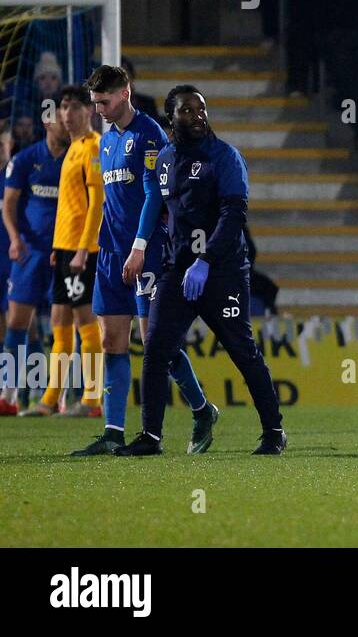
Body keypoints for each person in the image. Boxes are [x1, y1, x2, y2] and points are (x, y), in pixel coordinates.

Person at [114, 87, 285, 456]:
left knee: (243, 351)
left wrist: (205, 260)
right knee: (156, 349)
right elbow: (158, 206)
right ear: (170, 119)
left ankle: (274, 431)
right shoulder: (163, 160)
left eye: (202, 108)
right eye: (188, 111)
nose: (198, 116)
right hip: (178, 271)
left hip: (221, 271)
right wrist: (143, 248)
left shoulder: (225, 157)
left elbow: (234, 215)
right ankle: (151, 438)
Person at [69, 66, 215, 457]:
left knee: (156, 343)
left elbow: (153, 196)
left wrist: (138, 246)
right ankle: (113, 431)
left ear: (124, 93)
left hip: (145, 251)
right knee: (111, 341)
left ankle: (203, 410)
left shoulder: (148, 133)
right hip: (111, 253)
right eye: (95, 103)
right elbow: (110, 200)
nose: (98, 109)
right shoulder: (105, 141)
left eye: (104, 101)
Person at [18, 87, 103, 417]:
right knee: (58, 320)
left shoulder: (93, 147)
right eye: (63, 107)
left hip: (82, 249)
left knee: (86, 320)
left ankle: (93, 400)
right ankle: (50, 399)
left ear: (89, 111)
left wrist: (82, 249)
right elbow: (69, 205)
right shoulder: (73, 148)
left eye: (73, 107)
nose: (66, 114)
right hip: (65, 248)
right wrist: (58, 247)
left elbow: (96, 203)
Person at [0, 115, 68, 415]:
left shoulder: (78, 157)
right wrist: (15, 239)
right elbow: (10, 204)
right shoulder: (26, 160)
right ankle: (9, 394)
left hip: (65, 252)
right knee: (17, 323)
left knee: (65, 325)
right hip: (30, 253)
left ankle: (63, 395)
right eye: (60, 119)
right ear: (47, 122)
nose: (66, 124)